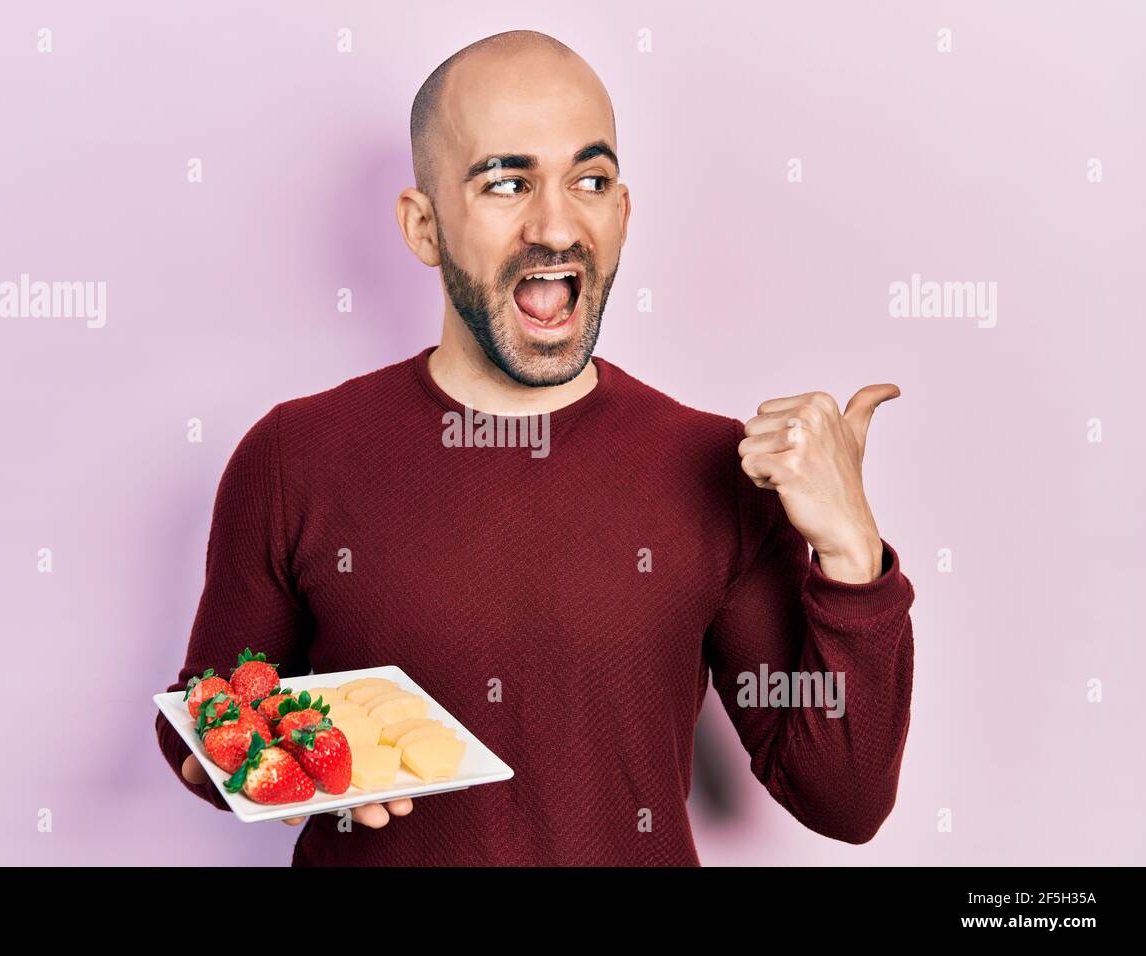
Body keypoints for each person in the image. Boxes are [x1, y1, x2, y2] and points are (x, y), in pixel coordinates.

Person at [154, 29, 915, 866]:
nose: (557, 226)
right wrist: (219, 756)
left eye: (589, 181)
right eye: (507, 183)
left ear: (622, 213)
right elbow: (211, 706)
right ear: (423, 225)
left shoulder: (717, 468)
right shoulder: (291, 457)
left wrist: (850, 553)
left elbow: (842, 799)